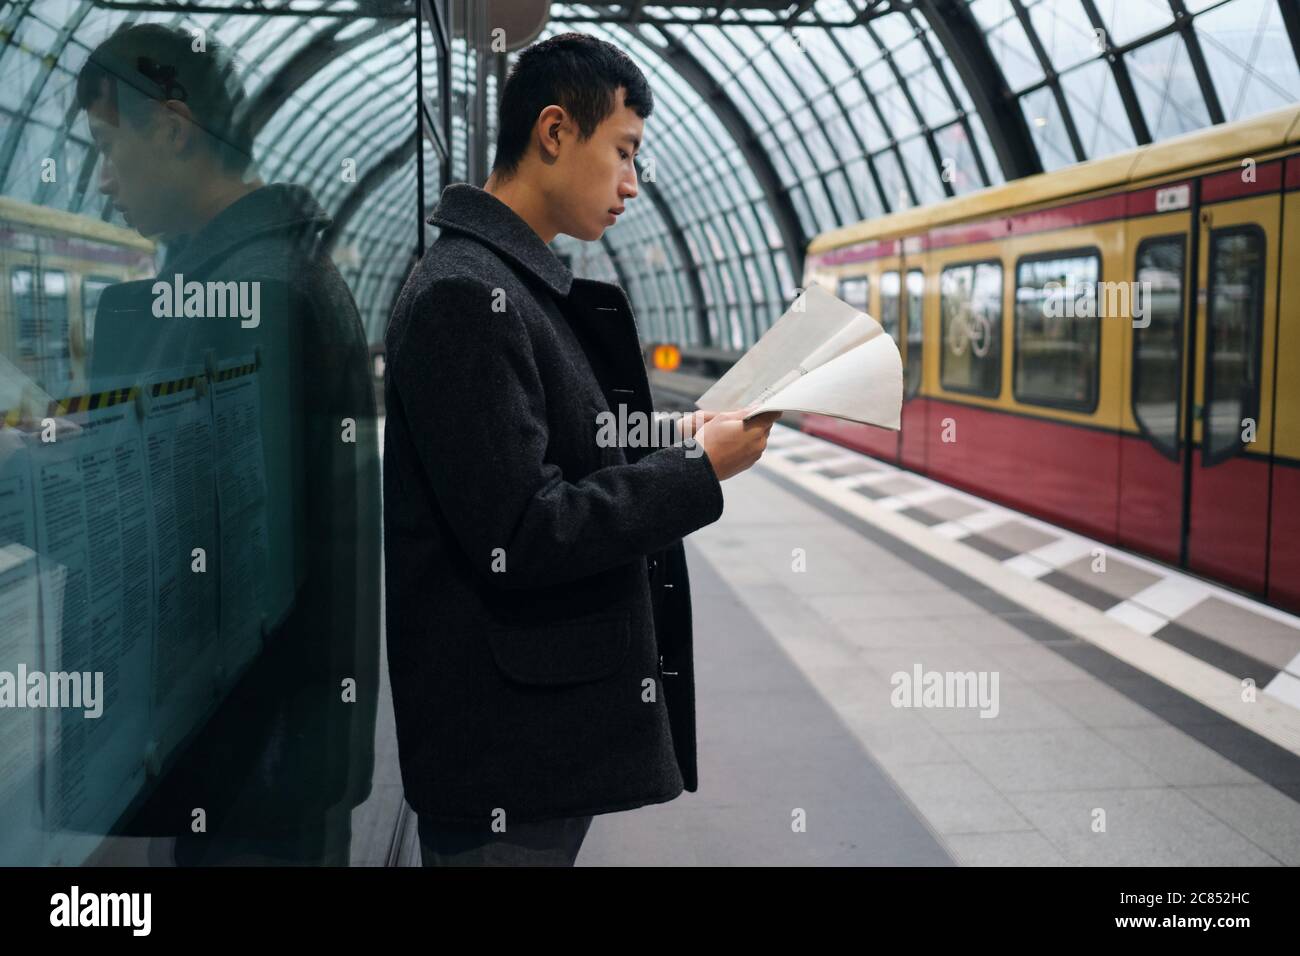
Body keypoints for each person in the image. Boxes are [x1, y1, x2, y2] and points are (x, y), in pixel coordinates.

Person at [383, 32, 780, 867]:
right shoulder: (467, 295)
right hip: (504, 755)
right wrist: (699, 471)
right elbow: (523, 530)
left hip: (525, 742)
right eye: (625, 152)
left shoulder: (505, 283)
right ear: (555, 132)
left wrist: (667, 439)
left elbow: (552, 452)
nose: (634, 183)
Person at [73, 22, 381, 865]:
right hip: (272, 755)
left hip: (253, 766)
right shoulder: (278, 268)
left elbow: (194, 535)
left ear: (172, 129)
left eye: (108, 144)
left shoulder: (248, 294)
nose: (101, 182)